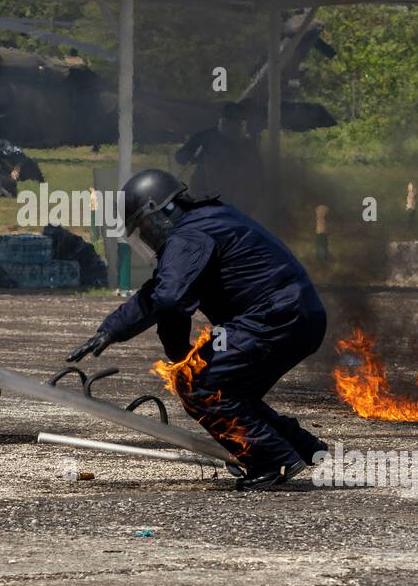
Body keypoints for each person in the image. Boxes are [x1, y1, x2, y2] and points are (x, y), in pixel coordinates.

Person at [67, 169, 328, 490]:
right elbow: (163, 291)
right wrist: (112, 329)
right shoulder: (205, 221)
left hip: (276, 317)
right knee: (230, 389)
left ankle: (271, 459)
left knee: (200, 384)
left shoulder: (188, 236)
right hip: (297, 315)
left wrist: (181, 360)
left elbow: (170, 300)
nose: (146, 238)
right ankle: (302, 448)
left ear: (160, 212)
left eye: (144, 228)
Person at [174, 103, 262, 213]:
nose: (234, 129)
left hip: (237, 199)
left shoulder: (248, 145)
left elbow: (256, 175)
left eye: (238, 125)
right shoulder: (207, 137)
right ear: (222, 122)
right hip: (205, 193)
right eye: (230, 124)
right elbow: (181, 156)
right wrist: (192, 157)